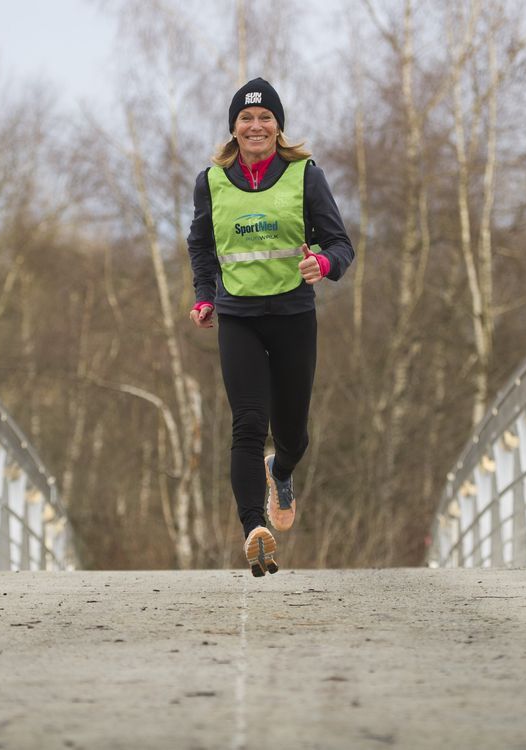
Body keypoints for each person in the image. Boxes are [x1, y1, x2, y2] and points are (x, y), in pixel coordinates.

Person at [186, 77, 354, 577]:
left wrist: (322, 266)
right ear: (233, 128)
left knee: (293, 434)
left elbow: (340, 244)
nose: (255, 126)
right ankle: (254, 528)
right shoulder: (211, 182)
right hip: (238, 316)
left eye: (265, 118)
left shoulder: (305, 176)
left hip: (292, 316)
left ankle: (280, 472)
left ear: (278, 126)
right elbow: (200, 246)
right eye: (246, 118)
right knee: (247, 424)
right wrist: (203, 296)